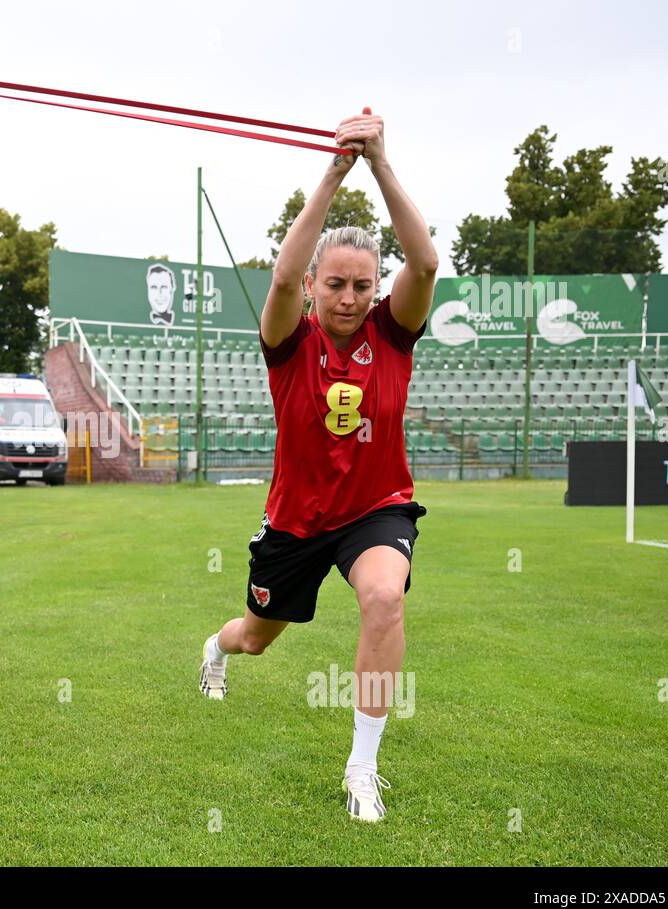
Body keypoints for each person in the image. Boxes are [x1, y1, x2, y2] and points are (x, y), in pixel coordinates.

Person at [198, 108, 437, 823]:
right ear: (314, 287)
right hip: (297, 521)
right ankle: (216, 646)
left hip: (375, 509)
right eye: (335, 284)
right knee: (257, 639)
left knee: (384, 599)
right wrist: (336, 169)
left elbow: (423, 263)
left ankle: (362, 768)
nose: (349, 297)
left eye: (362, 286)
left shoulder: (393, 335)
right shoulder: (290, 340)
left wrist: (382, 162)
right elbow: (279, 277)